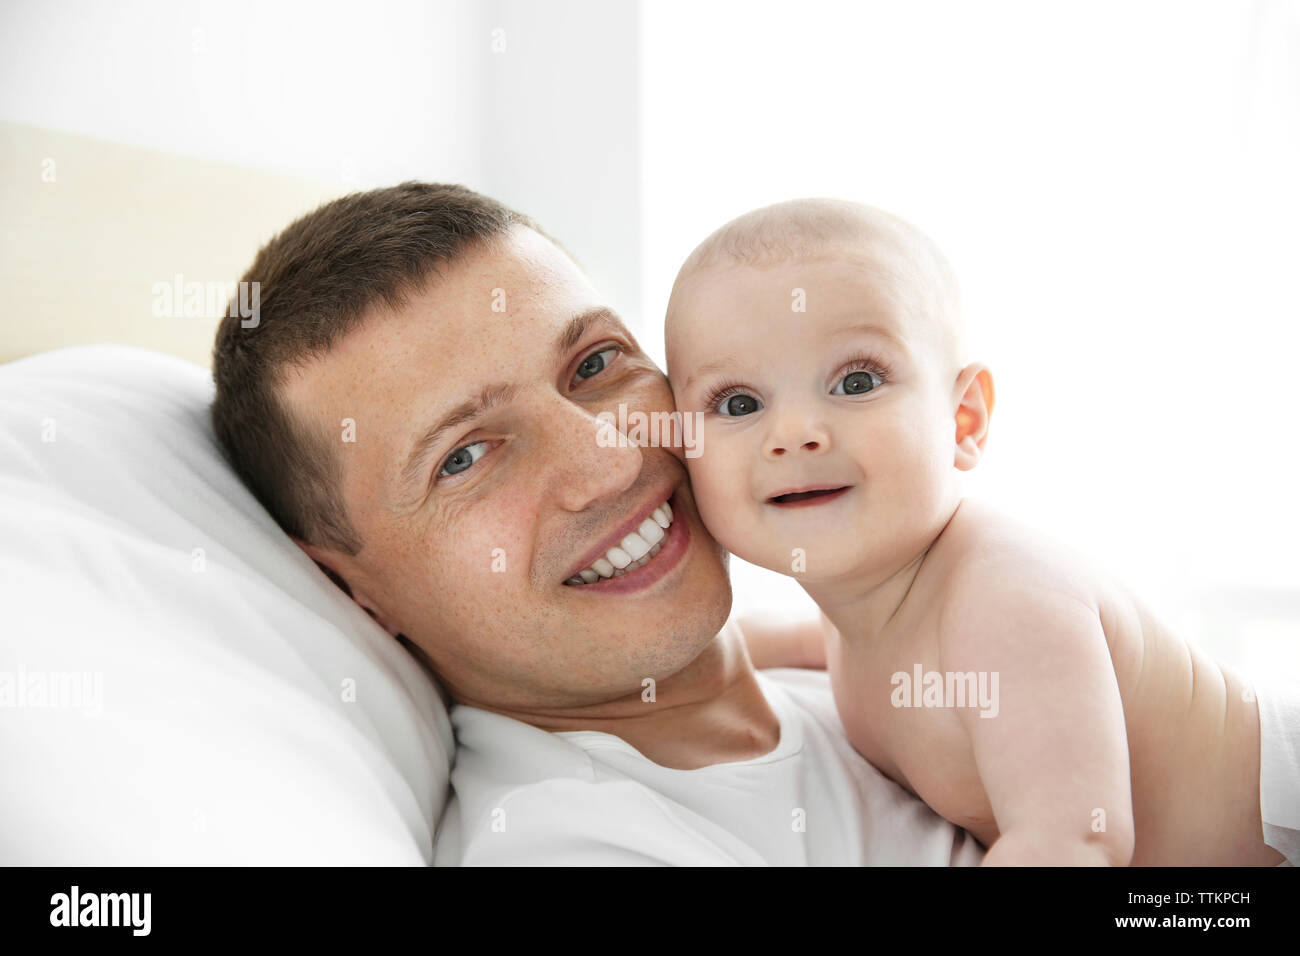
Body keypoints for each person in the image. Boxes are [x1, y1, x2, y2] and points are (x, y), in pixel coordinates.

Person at [209, 182, 985, 864]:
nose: (613, 461)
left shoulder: (862, 666)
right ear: (352, 590)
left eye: (593, 365)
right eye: (464, 457)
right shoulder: (575, 845)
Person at [662, 197, 1299, 866]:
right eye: (739, 404)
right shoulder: (860, 615)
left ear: (962, 420)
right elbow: (754, 643)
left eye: (855, 382)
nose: (793, 434)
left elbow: (1075, 841)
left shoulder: (1003, 603)